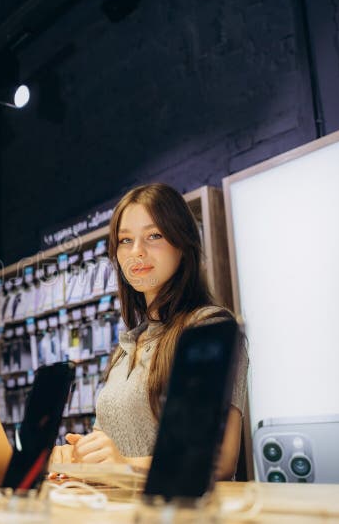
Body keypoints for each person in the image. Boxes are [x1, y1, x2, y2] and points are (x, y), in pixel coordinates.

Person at [50, 183, 248, 480]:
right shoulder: (127, 346)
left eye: (153, 236)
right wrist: (78, 455)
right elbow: (108, 448)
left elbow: (216, 459)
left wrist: (123, 465)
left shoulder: (208, 328)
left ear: (182, 243)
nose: (136, 252)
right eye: (125, 240)